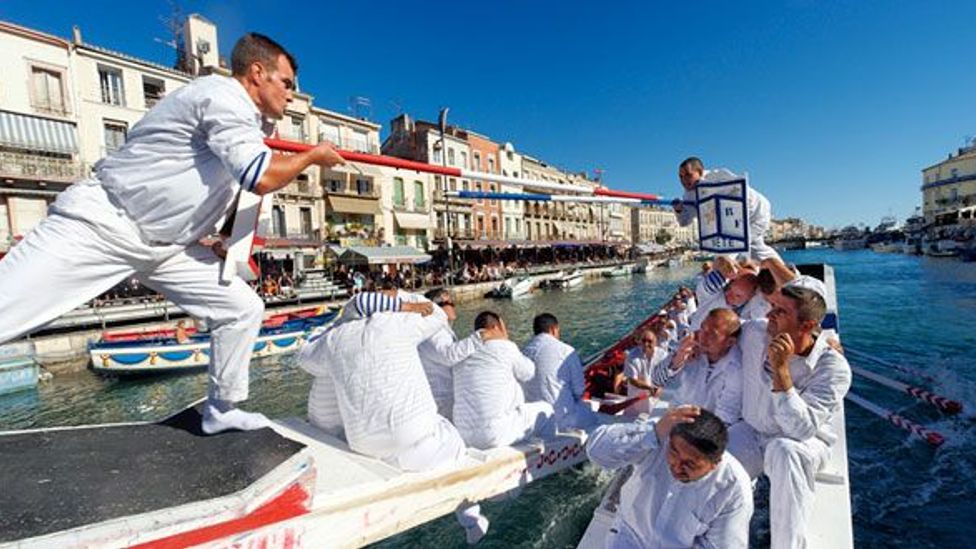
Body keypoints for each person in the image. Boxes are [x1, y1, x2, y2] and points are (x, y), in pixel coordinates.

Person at [0, 33, 345, 434]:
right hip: (104, 222)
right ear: (257, 74)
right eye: (286, 83)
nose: (290, 95)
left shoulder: (246, 125)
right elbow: (261, 178)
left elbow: (223, 191)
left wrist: (217, 239)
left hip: (167, 248)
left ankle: (222, 409)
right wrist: (314, 156)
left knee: (241, 309)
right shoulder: (223, 97)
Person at [732, 275, 852, 548]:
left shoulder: (832, 368)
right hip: (753, 431)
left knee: (784, 452)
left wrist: (781, 370)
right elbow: (715, 327)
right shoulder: (755, 333)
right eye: (772, 306)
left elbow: (800, 429)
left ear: (808, 325)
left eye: (780, 311)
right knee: (708, 461)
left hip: (804, 443)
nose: (770, 314)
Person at [586, 406, 753, 548]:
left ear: (715, 464)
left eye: (690, 464)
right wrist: (653, 432)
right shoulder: (660, 436)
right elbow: (596, 451)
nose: (677, 466)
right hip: (627, 537)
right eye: (674, 451)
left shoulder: (734, 489)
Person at [453, 311, 556, 449]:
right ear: (497, 327)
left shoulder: (461, 352)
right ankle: (550, 456)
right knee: (546, 409)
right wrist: (507, 341)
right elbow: (528, 373)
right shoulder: (505, 346)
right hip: (494, 433)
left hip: (464, 436)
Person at [673, 156, 779, 261]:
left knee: (733, 249)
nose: (684, 180)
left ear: (700, 172)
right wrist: (679, 210)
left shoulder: (719, 176)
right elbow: (684, 221)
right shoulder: (688, 195)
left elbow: (739, 189)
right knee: (755, 248)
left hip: (756, 212)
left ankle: (722, 275)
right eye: (680, 176)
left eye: (688, 175)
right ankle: (786, 270)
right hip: (736, 222)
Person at [651, 309, 744, 428]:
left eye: (712, 334)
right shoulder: (690, 348)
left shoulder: (735, 368)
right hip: (674, 419)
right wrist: (678, 357)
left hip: (704, 430)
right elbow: (656, 380)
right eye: (702, 328)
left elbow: (725, 416)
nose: (702, 336)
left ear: (730, 342)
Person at [521, 313, 597, 430]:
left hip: (531, 421)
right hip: (561, 419)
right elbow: (579, 390)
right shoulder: (566, 351)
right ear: (553, 329)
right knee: (591, 410)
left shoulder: (523, 352)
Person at [418, 288, 484, 419]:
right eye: (450, 303)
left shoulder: (439, 329)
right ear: (436, 308)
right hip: (442, 400)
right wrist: (480, 337)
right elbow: (448, 355)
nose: (454, 306)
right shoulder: (433, 332)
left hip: (446, 396)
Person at [617, 328, 668, 398]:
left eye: (650, 341)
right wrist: (650, 388)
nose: (646, 344)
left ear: (656, 342)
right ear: (640, 341)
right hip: (637, 400)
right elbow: (633, 380)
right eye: (643, 341)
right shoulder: (631, 356)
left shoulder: (663, 355)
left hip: (658, 398)